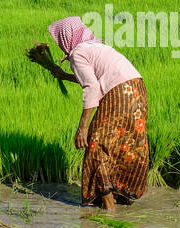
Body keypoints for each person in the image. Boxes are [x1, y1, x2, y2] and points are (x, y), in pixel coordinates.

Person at [28, 16, 149, 211]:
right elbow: (99, 79)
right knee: (123, 145)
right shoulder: (97, 47)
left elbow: (92, 87)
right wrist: (65, 76)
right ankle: (119, 198)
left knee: (95, 144)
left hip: (118, 95)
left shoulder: (78, 53)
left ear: (66, 38)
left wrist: (82, 127)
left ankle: (110, 208)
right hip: (137, 92)